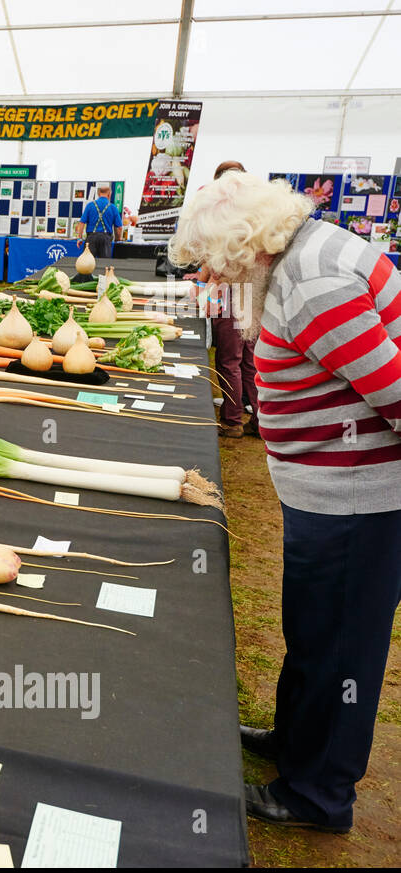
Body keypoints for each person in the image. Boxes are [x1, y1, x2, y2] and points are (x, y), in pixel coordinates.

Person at [169, 171, 401, 835]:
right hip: (330, 498)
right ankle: (297, 740)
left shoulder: (315, 282)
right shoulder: (301, 257)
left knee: (343, 650)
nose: (214, 273)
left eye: (215, 259)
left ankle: (317, 793)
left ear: (246, 242)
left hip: (359, 501)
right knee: (314, 633)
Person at [199, 160, 259, 438]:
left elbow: (218, 261)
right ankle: (259, 420)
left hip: (230, 291)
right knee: (249, 361)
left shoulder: (223, 214)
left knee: (228, 360)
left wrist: (207, 278)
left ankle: (232, 420)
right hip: (253, 291)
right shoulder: (257, 210)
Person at [75, 185, 122, 259]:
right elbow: (119, 227)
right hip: (106, 239)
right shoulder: (113, 207)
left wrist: (79, 238)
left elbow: (81, 223)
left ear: (98, 194)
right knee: (105, 264)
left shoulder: (90, 206)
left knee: (87, 264)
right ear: (109, 194)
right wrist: (117, 239)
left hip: (91, 238)